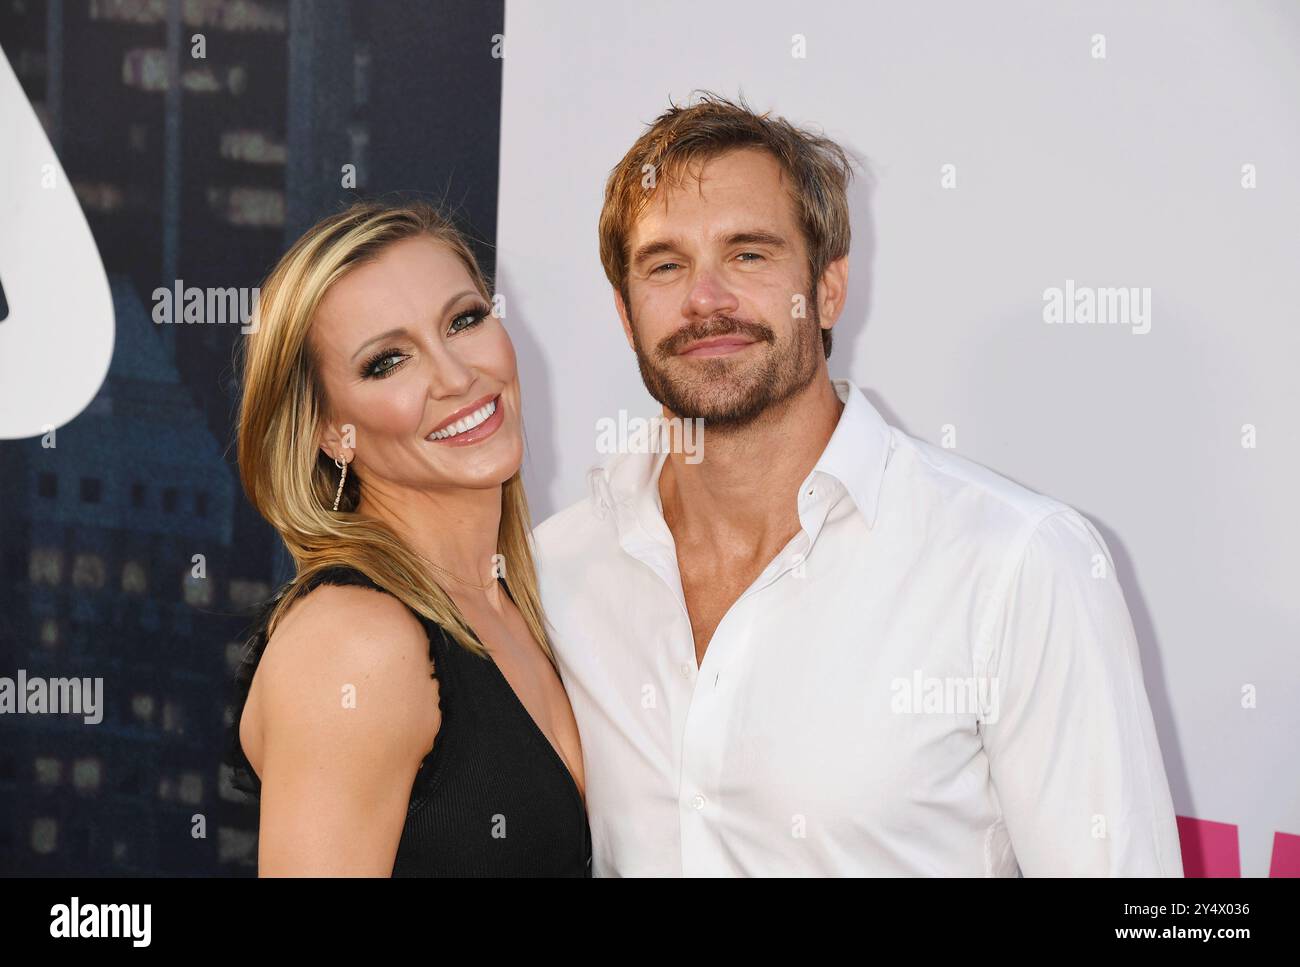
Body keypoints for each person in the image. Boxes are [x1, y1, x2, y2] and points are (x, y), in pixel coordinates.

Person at [532, 92, 1183, 876]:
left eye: (749, 254)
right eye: (666, 264)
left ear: (830, 287)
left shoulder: (1014, 565)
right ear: (626, 310)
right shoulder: (558, 570)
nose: (706, 299)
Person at [225, 200, 590, 876]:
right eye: (388, 361)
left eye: (465, 319)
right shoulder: (356, 640)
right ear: (332, 431)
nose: (456, 376)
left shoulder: (524, 604)